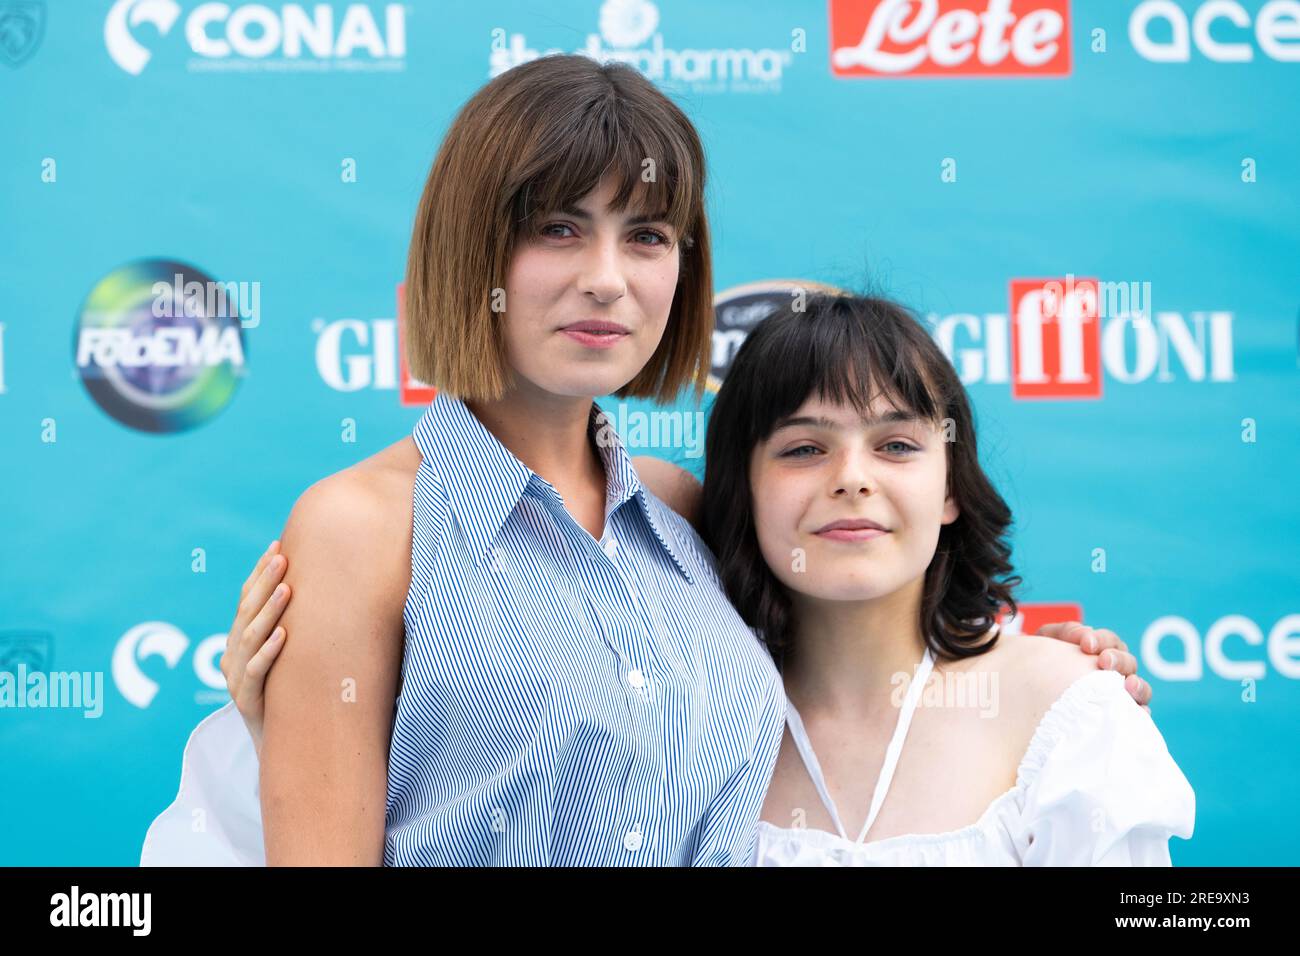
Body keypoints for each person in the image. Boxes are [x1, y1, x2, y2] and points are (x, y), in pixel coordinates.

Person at [142, 55, 1151, 868]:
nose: (606, 280)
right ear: (470, 249)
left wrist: (1053, 671)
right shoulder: (362, 526)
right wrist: (271, 722)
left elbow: (859, 639)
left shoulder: (685, 516)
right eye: (557, 229)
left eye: (648, 236)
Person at [697, 292, 1193, 865]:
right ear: (745, 488)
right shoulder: (684, 722)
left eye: (897, 445)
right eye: (805, 448)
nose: (852, 478)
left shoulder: (1065, 706)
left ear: (951, 489)